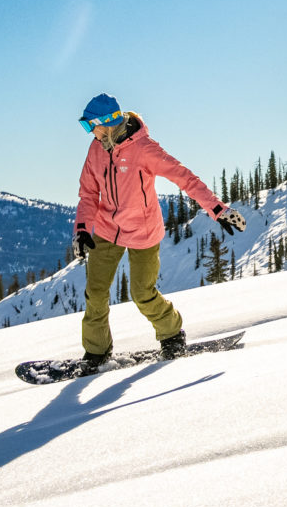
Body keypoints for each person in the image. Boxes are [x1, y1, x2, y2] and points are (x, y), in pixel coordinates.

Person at [73, 93, 246, 367]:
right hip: (107, 230)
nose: (89, 132)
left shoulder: (144, 149)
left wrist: (217, 209)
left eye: (90, 125)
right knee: (95, 293)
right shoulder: (97, 149)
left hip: (142, 230)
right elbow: (88, 194)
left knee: (142, 293)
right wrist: (82, 228)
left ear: (107, 122)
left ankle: (172, 335)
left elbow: (183, 177)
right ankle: (96, 352)